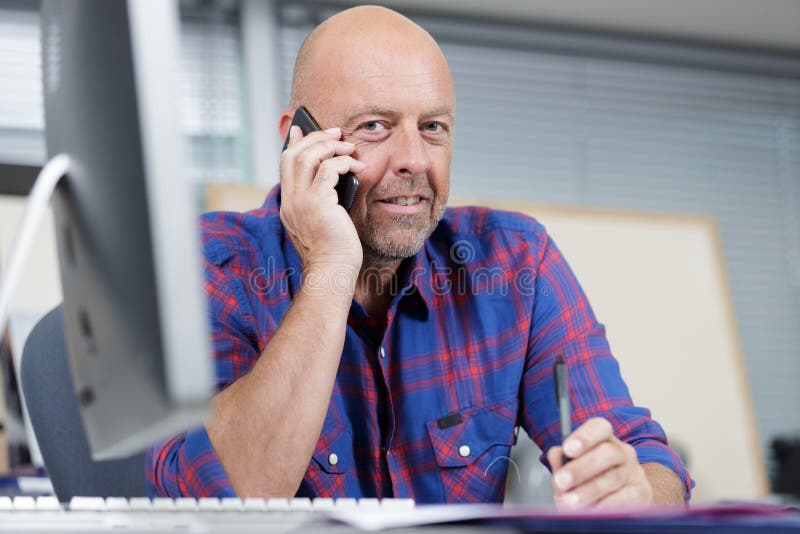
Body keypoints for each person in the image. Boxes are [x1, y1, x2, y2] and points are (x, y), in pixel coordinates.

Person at [147, 5, 692, 506]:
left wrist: (637, 490)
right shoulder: (212, 265)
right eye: (375, 126)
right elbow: (214, 501)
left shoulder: (516, 262)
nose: (413, 160)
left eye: (432, 127)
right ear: (297, 141)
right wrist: (331, 272)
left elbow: (646, 455)